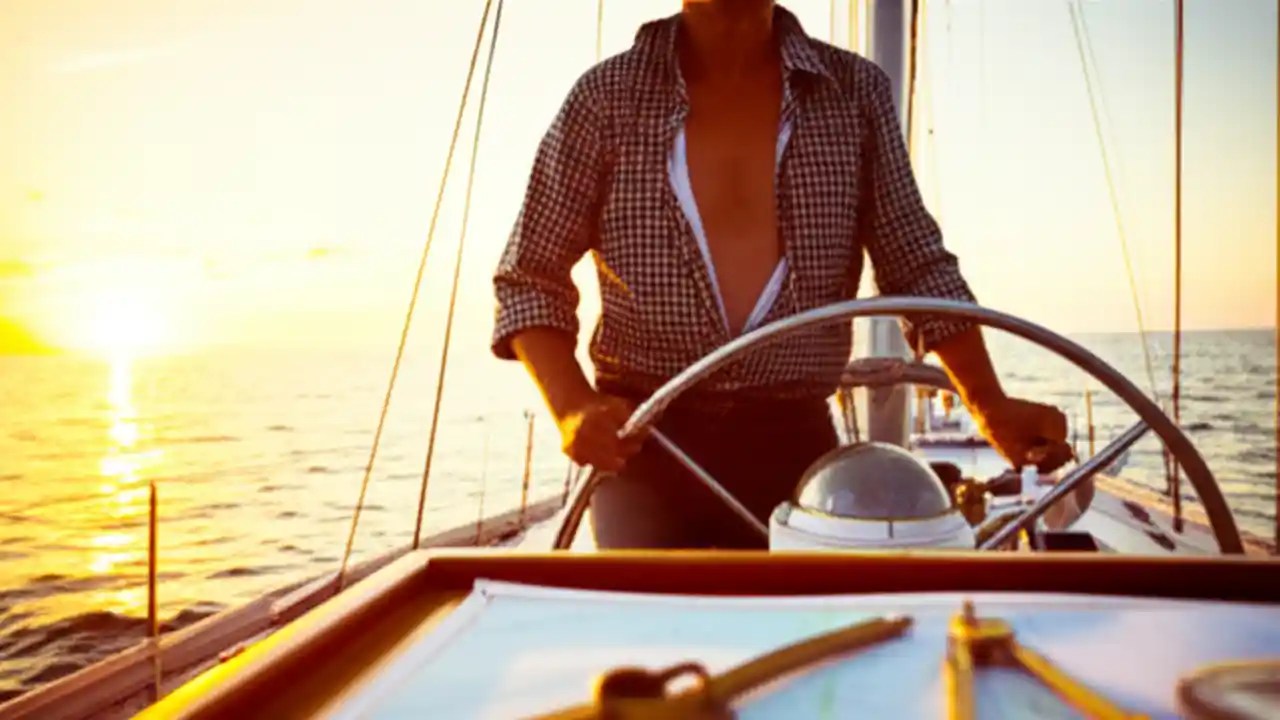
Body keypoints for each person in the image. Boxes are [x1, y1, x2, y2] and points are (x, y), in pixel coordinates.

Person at [491, 0, 1071, 549]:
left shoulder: (856, 94)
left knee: (821, 642)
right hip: (645, 449)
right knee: (652, 630)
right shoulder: (605, 99)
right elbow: (529, 274)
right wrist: (571, 405)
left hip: (798, 450)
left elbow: (914, 262)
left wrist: (989, 404)